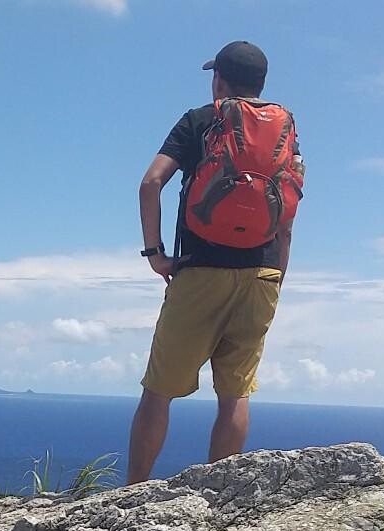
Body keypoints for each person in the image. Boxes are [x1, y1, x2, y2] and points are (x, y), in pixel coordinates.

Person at [126, 40, 303, 484]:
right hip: (261, 274)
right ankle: (217, 498)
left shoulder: (201, 121)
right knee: (235, 393)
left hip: (200, 270)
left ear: (218, 79)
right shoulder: (285, 131)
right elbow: (286, 213)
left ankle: (130, 495)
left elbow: (150, 184)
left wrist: (155, 254)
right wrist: (278, 274)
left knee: (158, 393)